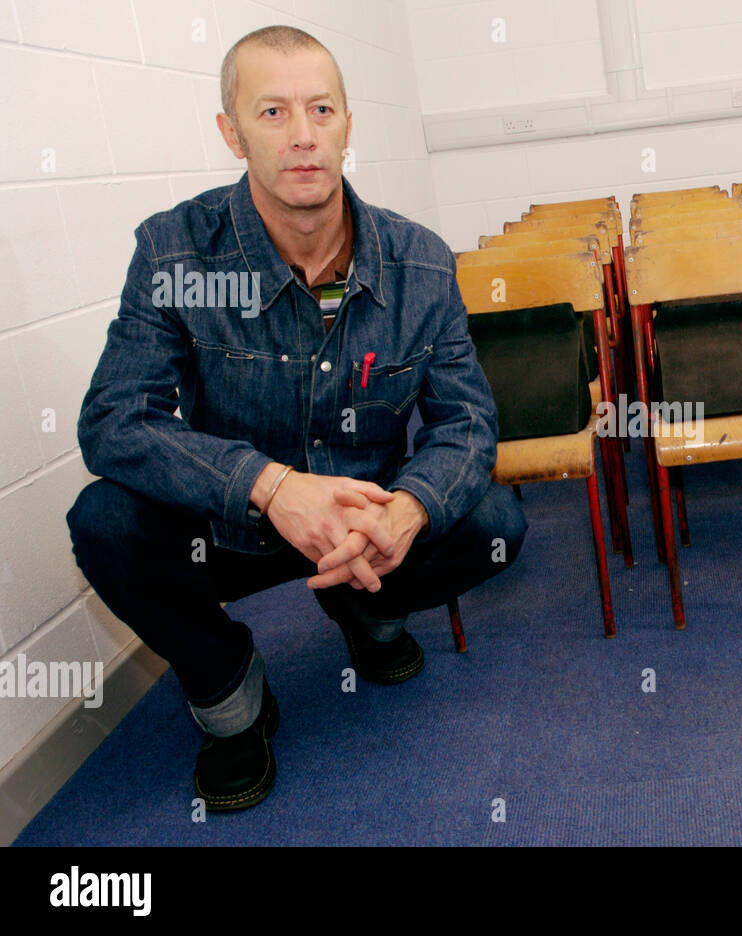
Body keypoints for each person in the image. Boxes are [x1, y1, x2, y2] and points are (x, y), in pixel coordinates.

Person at [65, 25, 526, 811]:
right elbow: (114, 419)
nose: (303, 136)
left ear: (349, 123)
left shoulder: (421, 265)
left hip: (365, 523)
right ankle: (229, 692)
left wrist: (408, 509)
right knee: (103, 522)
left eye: (321, 109)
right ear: (231, 132)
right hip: (234, 528)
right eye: (272, 113)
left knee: (493, 518)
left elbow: (468, 427)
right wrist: (272, 487)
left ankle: (364, 603)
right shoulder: (176, 255)